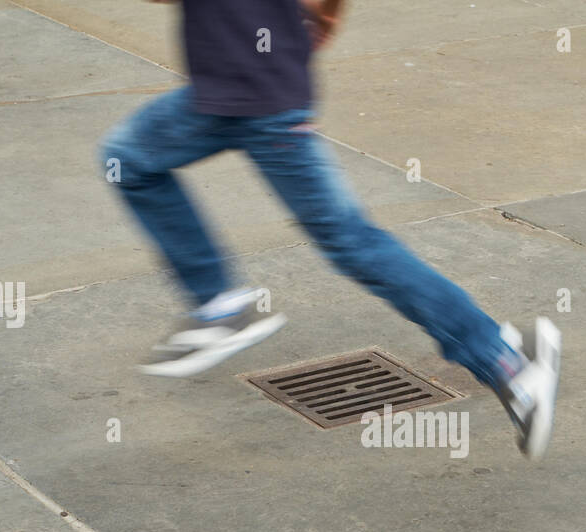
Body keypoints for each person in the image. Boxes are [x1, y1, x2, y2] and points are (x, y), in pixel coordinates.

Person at [101, 0, 560, 456]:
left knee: (352, 242)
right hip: (239, 89)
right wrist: (315, 25)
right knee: (130, 159)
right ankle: (219, 306)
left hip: (251, 96)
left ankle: (509, 364)